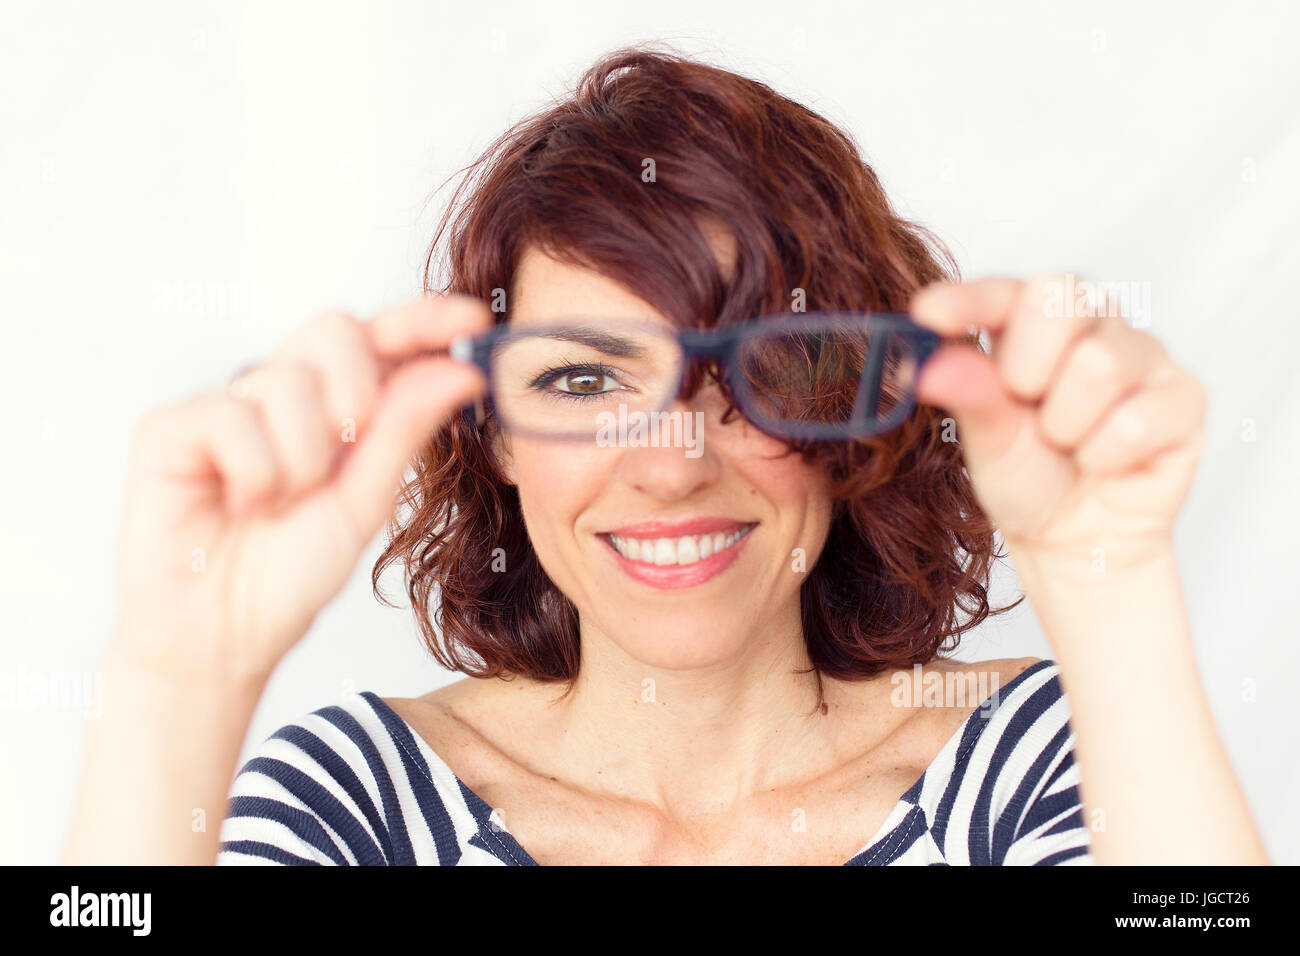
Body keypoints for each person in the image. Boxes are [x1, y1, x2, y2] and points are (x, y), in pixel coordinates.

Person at [62, 47, 1267, 865]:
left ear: (860, 412)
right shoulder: (360, 800)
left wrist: (1110, 582)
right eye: (582, 381)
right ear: (491, 435)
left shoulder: (1030, 757)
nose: (673, 462)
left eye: (757, 375)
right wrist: (178, 679)